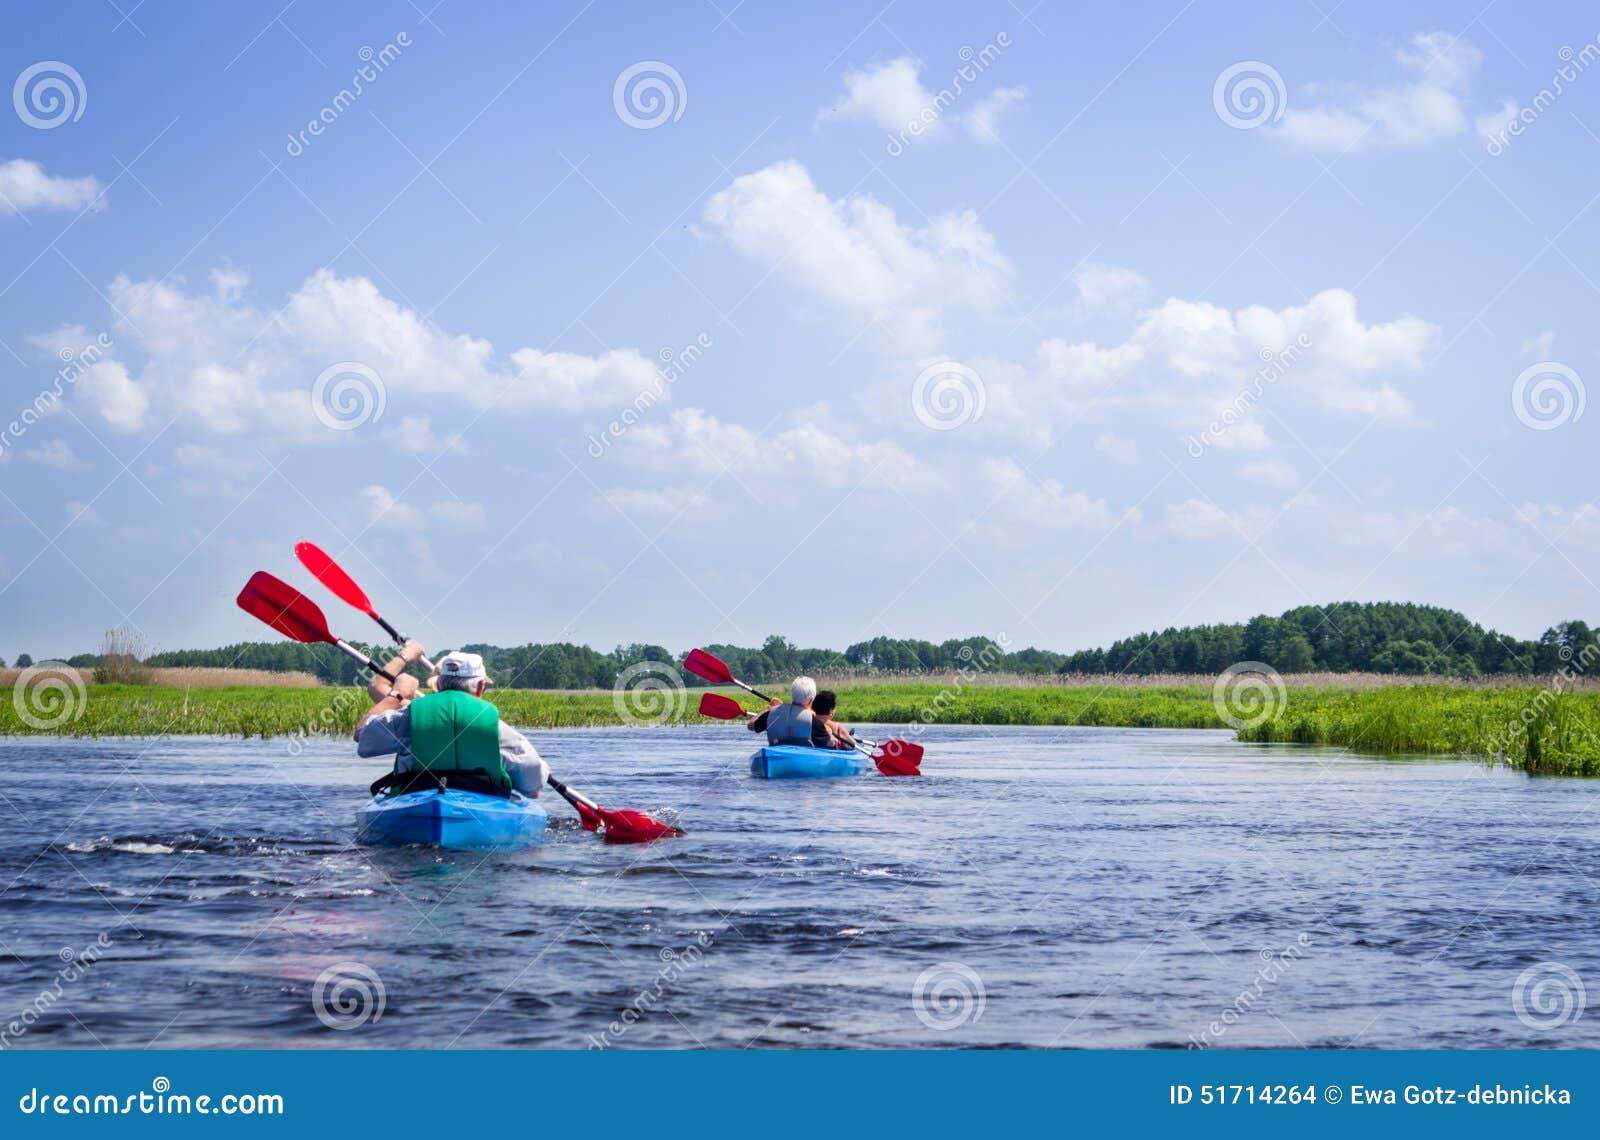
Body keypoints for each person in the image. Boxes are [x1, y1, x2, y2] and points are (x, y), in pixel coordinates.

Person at [353, 643, 549, 797]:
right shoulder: (496, 727)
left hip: (416, 799)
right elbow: (534, 786)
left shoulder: (410, 716)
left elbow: (363, 737)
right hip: (481, 803)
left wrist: (397, 694)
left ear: (438, 683)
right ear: (481, 687)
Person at [747, 675, 836, 748]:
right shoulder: (814, 722)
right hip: (802, 760)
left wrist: (768, 709)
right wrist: (830, 735)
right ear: (810, 701)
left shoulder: (772, 714)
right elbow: (830, 745)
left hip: (777, 756)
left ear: (792, 694)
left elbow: (751, 726)